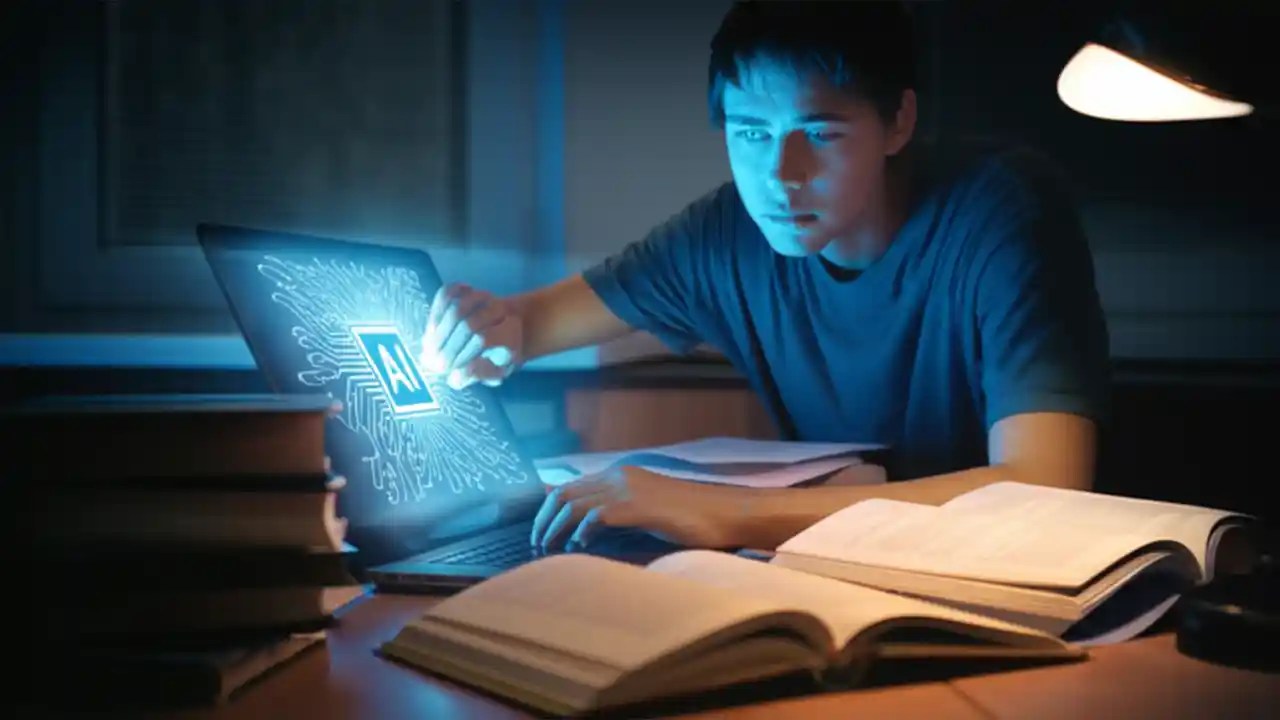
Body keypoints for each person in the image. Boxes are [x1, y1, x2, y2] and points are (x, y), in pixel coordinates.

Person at [420, 0, 1110, 553]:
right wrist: (486, 328)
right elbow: (529, 325)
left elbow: (1044, 485)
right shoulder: (727, 234)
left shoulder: (1000, 211)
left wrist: (732, 512)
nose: (782, 175)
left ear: (898, 121)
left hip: (1027, 578)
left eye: (822, 132)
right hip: (837, 569)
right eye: (751, 133)